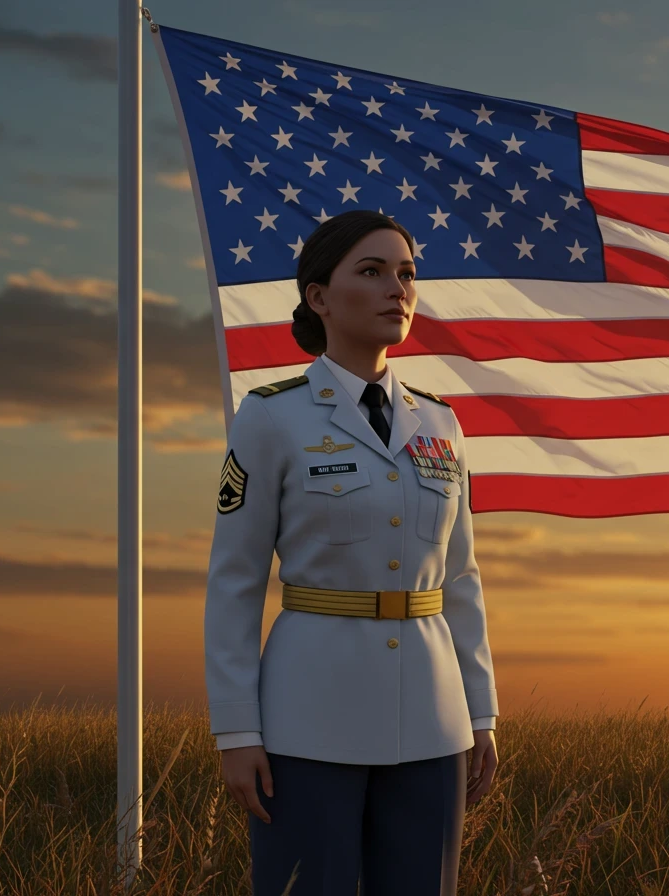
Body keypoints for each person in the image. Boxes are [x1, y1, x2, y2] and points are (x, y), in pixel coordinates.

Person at [204, 209, 499, 896]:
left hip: (432, 715)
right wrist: (237, 730)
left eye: (406, 273)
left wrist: (479, 712)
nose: (397, 288)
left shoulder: (441, 422)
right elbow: (236, 582)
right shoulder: (273, 417)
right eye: (372, 271)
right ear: (319, 297)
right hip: (310, 715)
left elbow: (461, 579)